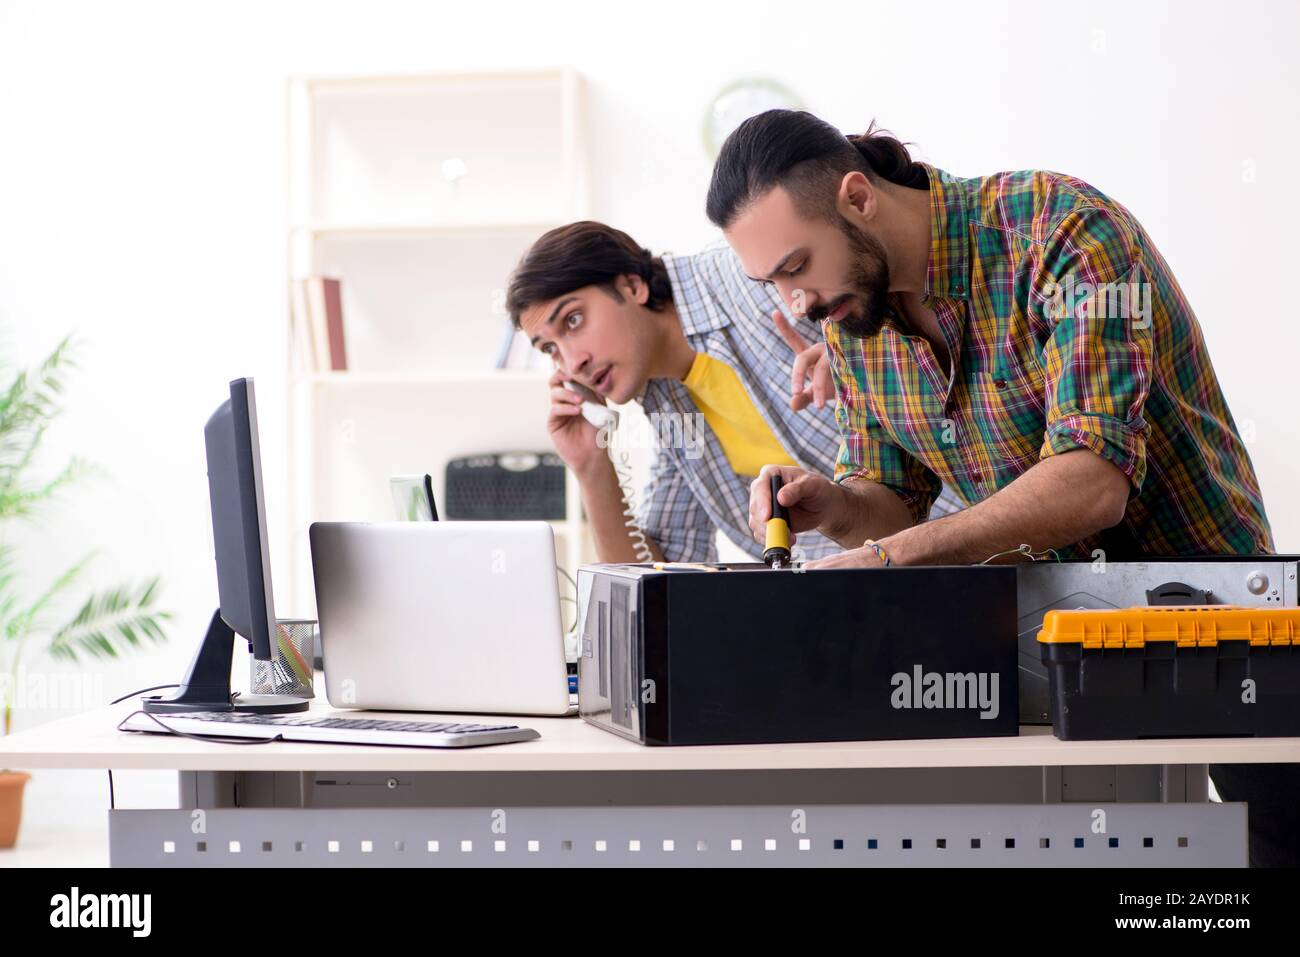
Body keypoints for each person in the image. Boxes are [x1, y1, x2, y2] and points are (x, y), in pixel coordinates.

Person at [709, 109, 1289, 867]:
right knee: (1093, 860)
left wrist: (893, 558)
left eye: (795, 268)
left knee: (1273, 844)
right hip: (1039, 642)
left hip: (1211, 620)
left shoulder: (1061, 229)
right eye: (773, 285)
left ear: (857, 197)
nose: (798, 305)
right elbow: (889, 498)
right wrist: (835, 504)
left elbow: (1091, 480)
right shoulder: (855, 322)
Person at [506, 221, 962, 564]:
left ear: (632, 285)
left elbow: (904, 285)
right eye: (550, 348)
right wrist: (591, 466)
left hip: (970, 545)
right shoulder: (668, 404)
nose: (572, 361)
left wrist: (856, 347)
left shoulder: (745, 279)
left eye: (572, 320)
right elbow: (659, 571)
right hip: (864, 602)